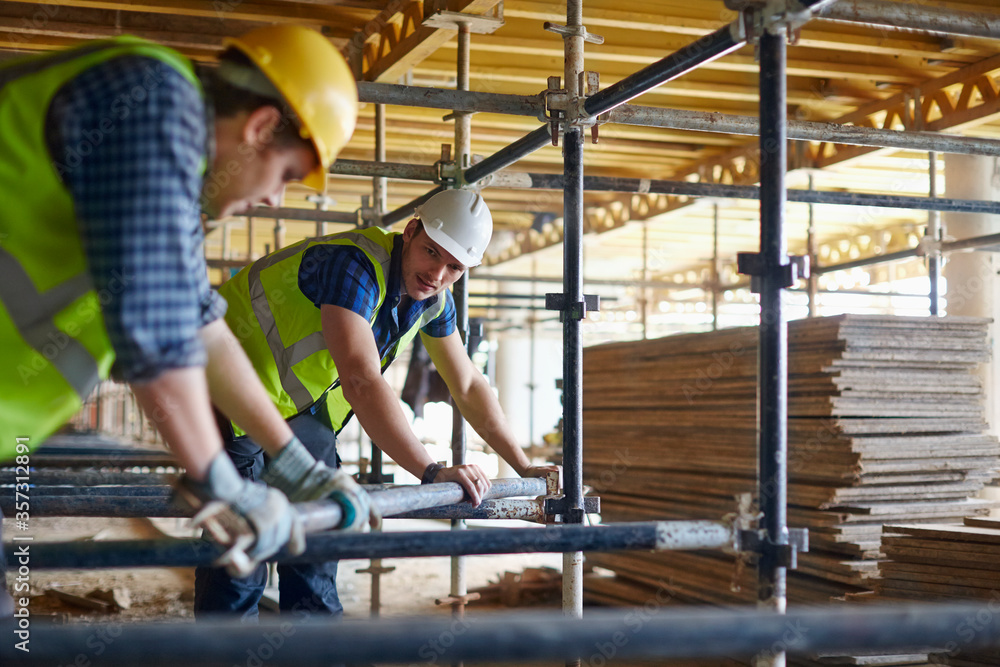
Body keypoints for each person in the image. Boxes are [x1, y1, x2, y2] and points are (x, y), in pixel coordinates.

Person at [0, 25, 369, 617]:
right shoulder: (154, 102)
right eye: (286, 175)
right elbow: (156, 330)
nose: (277, 200)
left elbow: (200, 324)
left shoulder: (163, 173)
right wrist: (220, 480)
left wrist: (294, 462)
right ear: (258, 127)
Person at [196, 188, 560, 619]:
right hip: (227, 394)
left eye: (454, 267)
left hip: (296, 413)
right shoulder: (352, 266)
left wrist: (521, 464)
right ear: (410, 231)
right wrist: (430, 470)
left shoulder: (433, 302)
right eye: (431, 252)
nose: (437, 274)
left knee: (319, 538)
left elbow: (467, 384)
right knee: (240, 557)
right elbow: (360, 377)